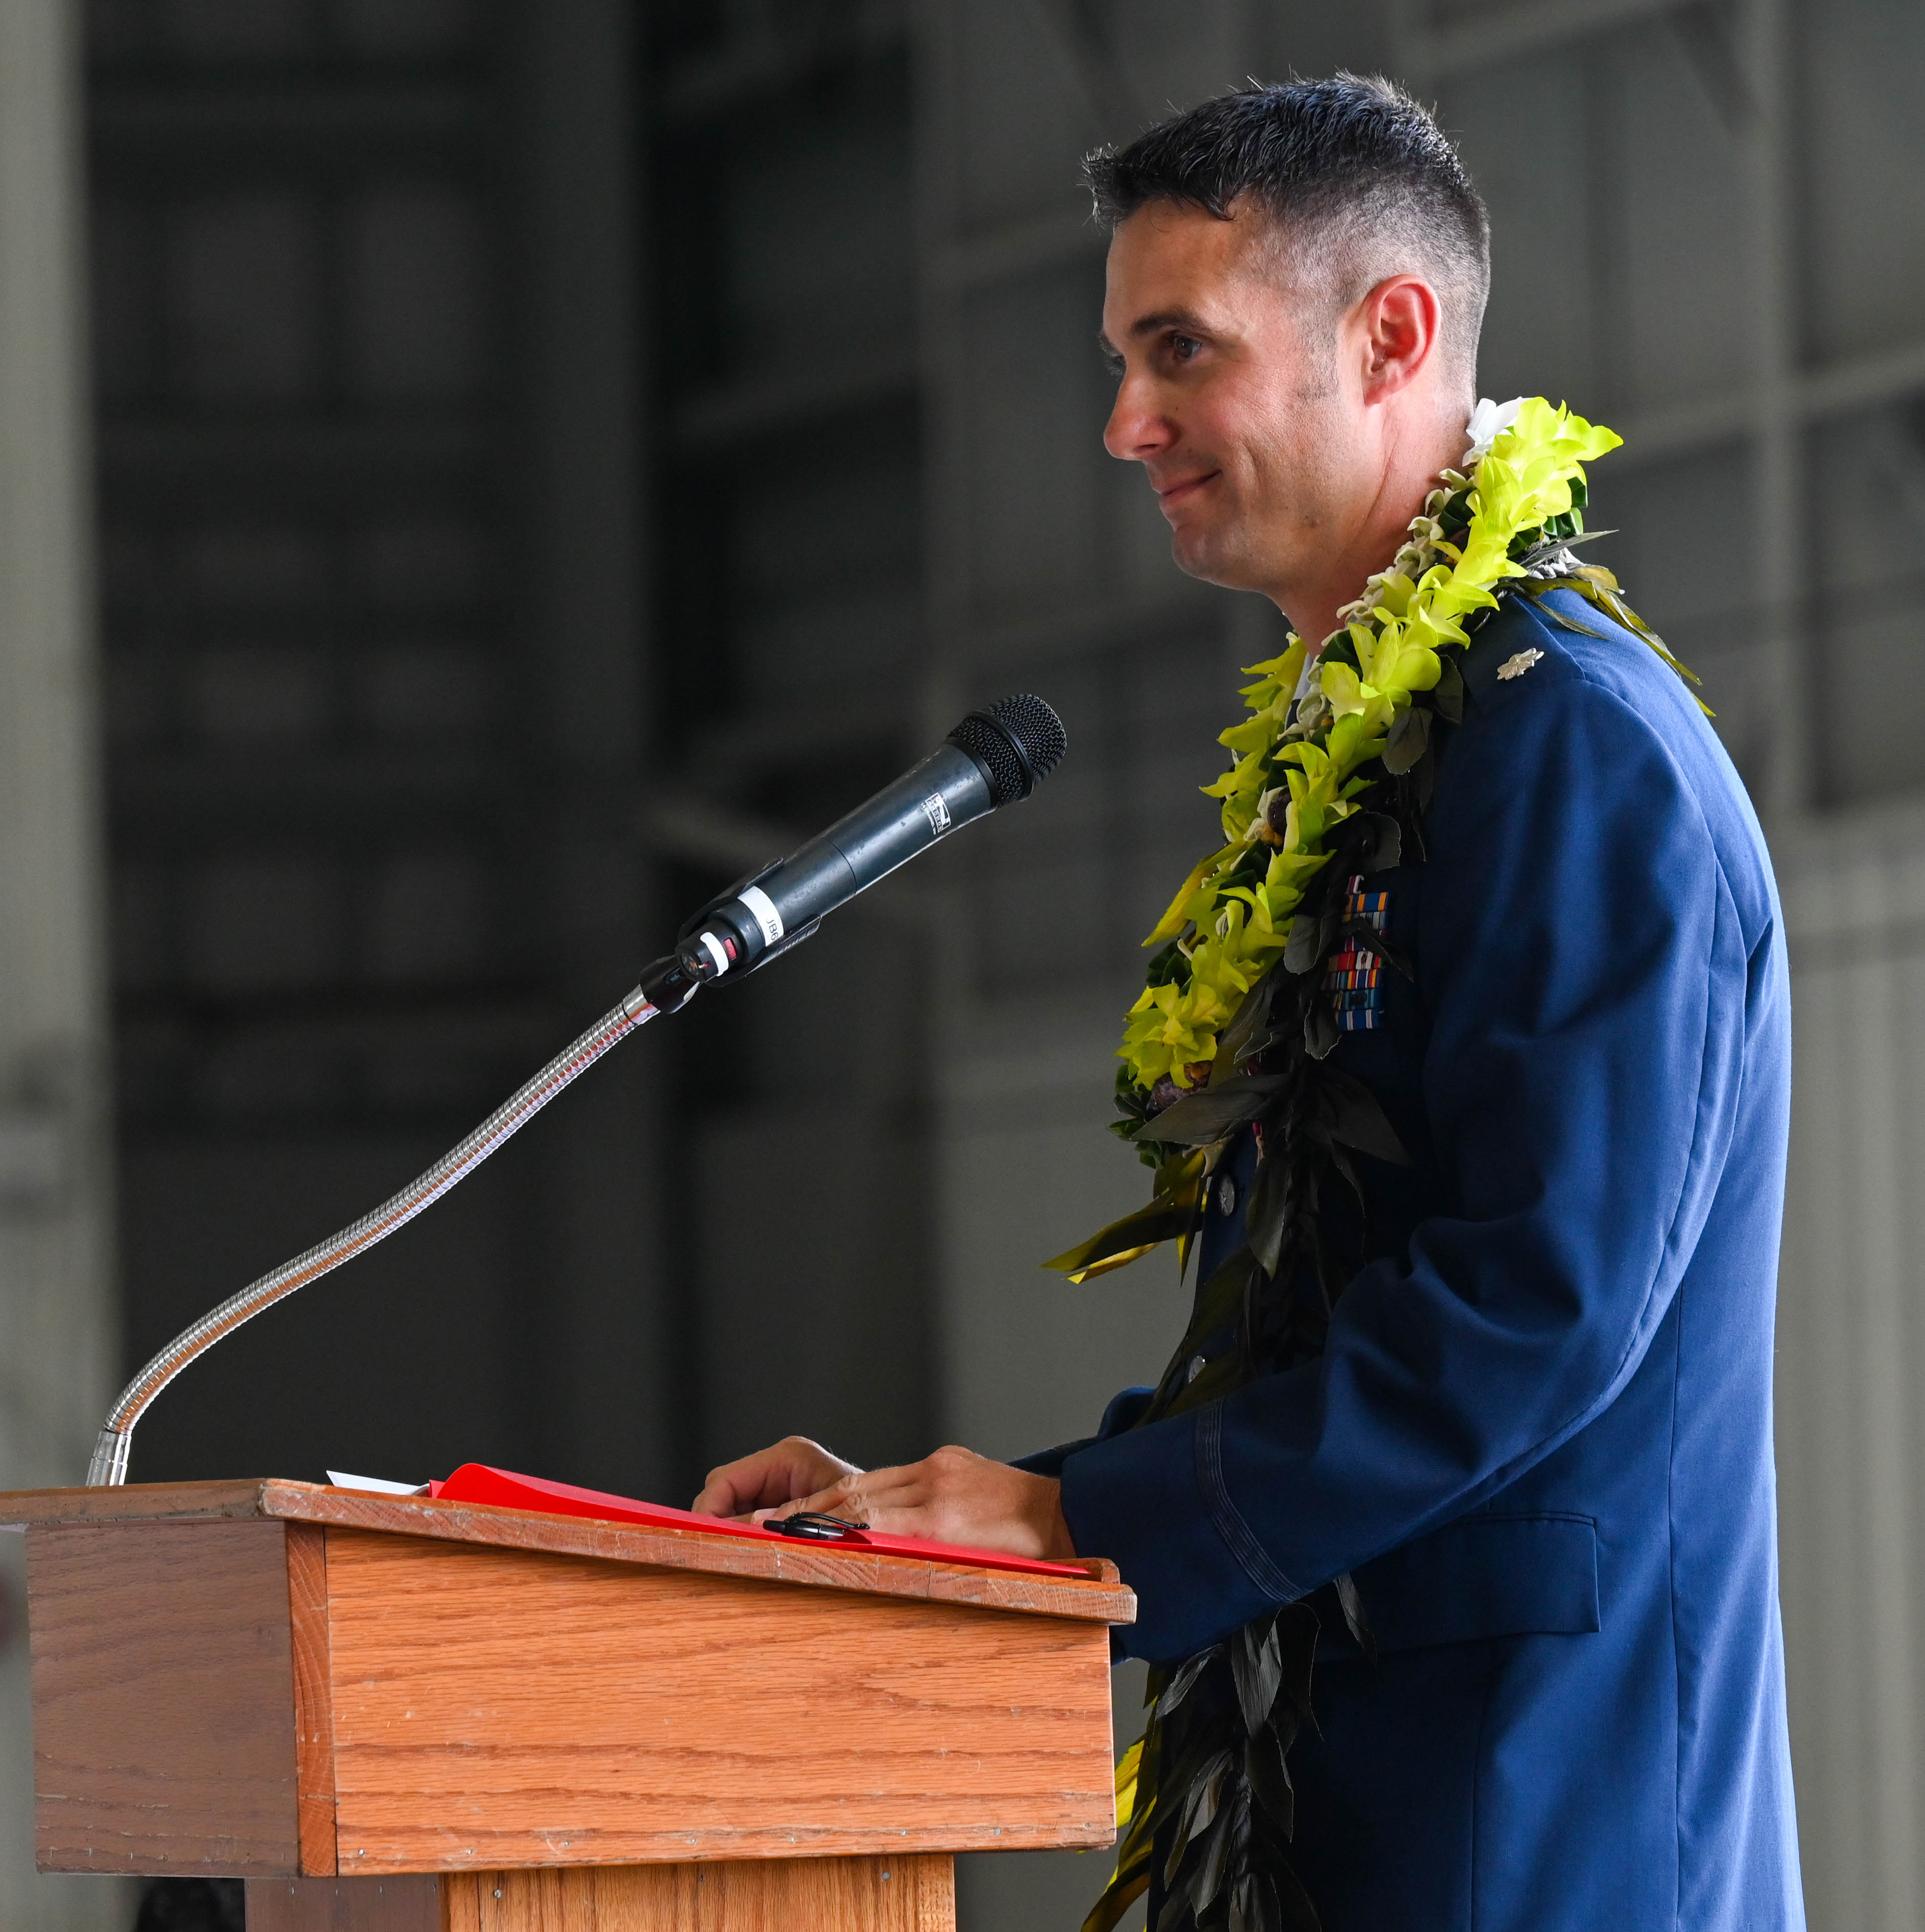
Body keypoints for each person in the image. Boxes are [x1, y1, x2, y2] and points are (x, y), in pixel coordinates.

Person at [692, 76, 1802, 1932]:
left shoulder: (1573, 755)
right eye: (1125, 361)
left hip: (1543, 1810)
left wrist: (1077, 1523)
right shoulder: (1393, 759)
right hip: (1371, 1766)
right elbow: (1321, 1328)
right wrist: (964, 1520)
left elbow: (1527, 1318)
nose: (1125, 427)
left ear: (1390, 338)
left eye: (1175, 353)